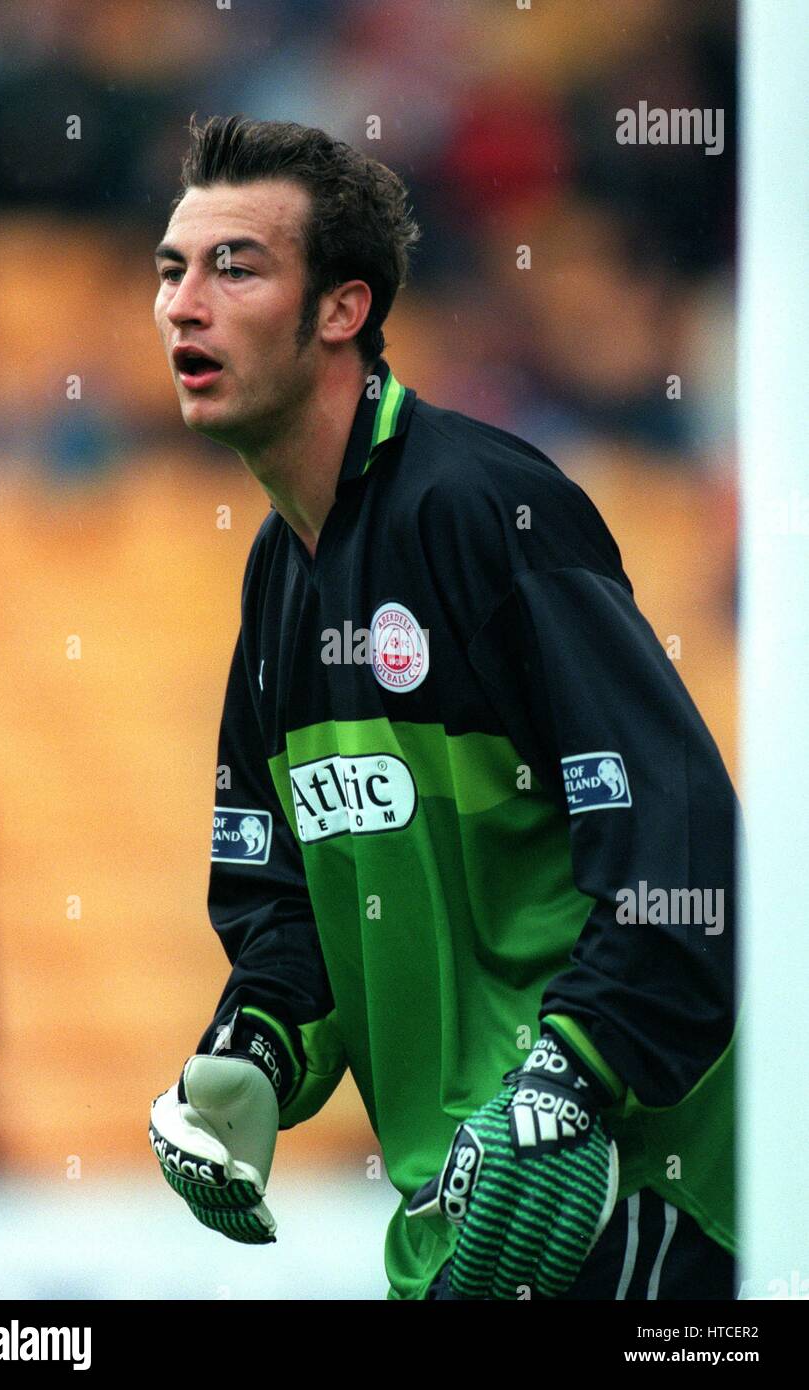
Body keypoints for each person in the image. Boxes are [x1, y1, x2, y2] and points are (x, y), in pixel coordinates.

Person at [148, 115, 738, 1301]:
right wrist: (257, 1045)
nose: (180, 305)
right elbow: (282, 903)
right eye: (171, 270)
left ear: (342, 310)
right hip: (454, 1233)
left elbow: (677, 834)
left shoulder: (487, 508)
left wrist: (566, 1075)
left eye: (234, 266)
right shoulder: (277, 576)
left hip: (625, 1207)